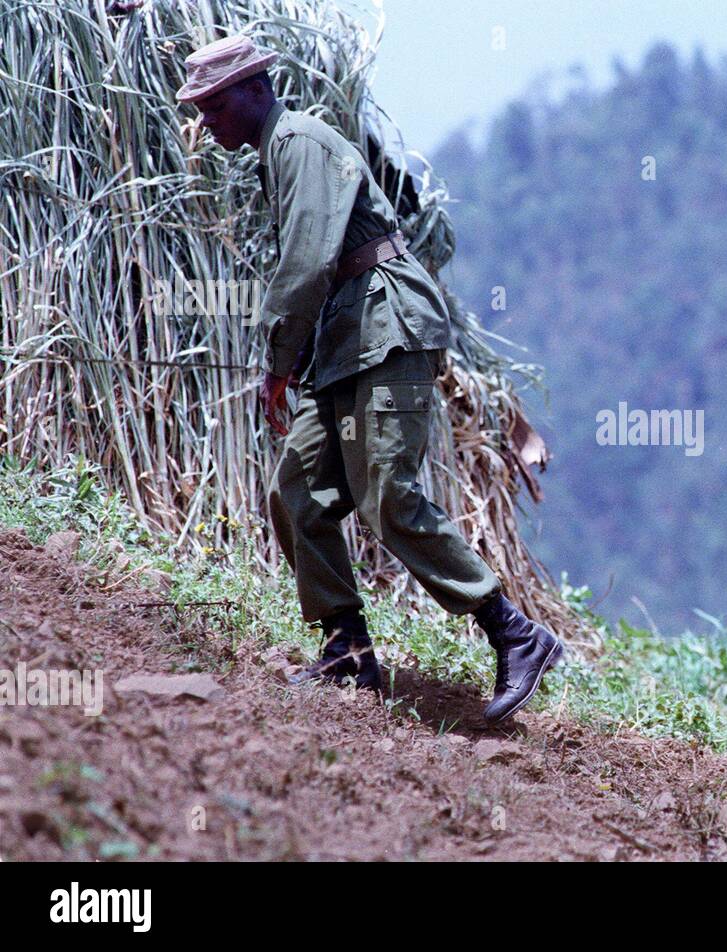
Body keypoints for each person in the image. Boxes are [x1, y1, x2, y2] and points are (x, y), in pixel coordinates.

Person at [175, 35, 564, 722]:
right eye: (201, 111)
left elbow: (305, 263)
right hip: (346, 339)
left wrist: (277, 361)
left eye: (212, 107)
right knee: (298, 490)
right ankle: (348, 655)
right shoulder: (279, 152)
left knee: (388, 494)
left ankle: (514, 632)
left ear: (253, 90)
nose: (207, 124)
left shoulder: (298, 142)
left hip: (387, 329)